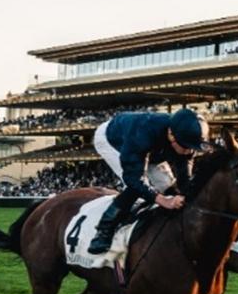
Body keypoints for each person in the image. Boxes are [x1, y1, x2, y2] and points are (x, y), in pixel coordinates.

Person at [87, 108, 212, 254]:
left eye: (192, 148)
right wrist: (163, 200)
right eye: (186, 146)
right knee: (137, 188)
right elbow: (134, 179)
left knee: (166, 184)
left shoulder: (183, 137)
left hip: (152, 149)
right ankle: (104, 230)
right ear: (171, 135)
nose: (189, 152)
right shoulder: (142, 133)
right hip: (114, 141)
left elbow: (185, 178)